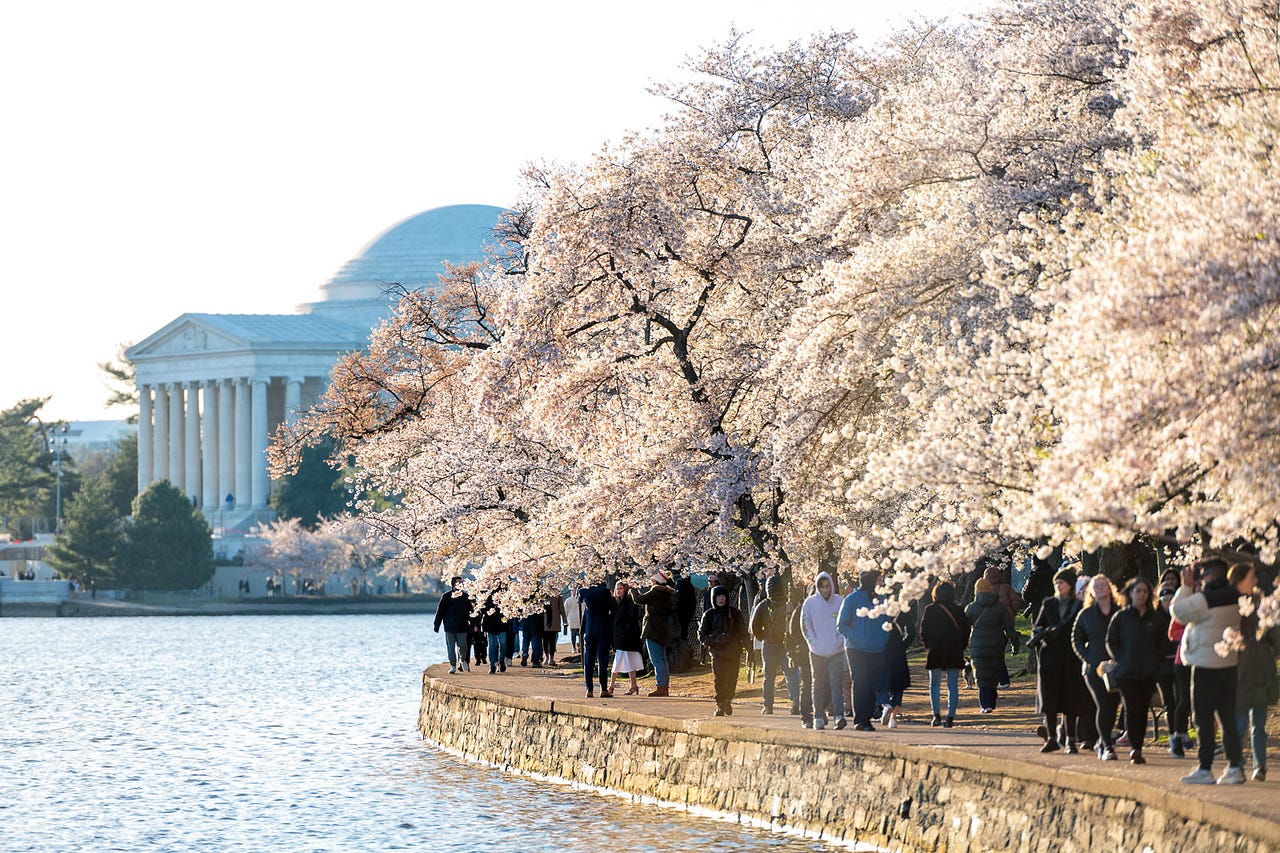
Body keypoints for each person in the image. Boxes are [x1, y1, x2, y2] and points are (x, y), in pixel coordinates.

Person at [1171, 557, 1245, 784]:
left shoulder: (1207, 598)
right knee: (1227, 719)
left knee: (1203, 718)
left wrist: (1185, 587)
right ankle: (1235, 767)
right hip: (1228, 664)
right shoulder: (1236, 596)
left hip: (1205, 665)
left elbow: (1178, 612)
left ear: (1209, 576)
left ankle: (1205, 768)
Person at [1105, 576, 1171, 764]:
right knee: (1132, 708)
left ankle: (1138, 747)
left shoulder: (1155, 618)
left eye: (1144, 591)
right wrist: (1122, 658)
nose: (1141, 594)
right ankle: (1134, 747)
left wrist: (1154, 660)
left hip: (1148, 673)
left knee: (1142, 709)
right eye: (1138, 591)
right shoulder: (1122, 617)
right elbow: (1111, 641)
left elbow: (1163, 643)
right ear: (1131, 593)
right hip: (1127, 673)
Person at [1030, 567, 1091, 753]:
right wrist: (1042, 634)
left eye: (1061, 582)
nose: (1058, 585)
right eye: (1056, 582)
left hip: (1071, 658)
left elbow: (1083, 630)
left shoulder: (1078, 605)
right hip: (1050, 657)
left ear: (1070, 585)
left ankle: (1071, 739)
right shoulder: (1049, 604)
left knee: (1070, 700)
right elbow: (1037, 627)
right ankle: (1051, 738)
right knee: (1049, 700)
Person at [1232, 563, 1278, 781]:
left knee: (1259, 726)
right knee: (1240, 725)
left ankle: (1259, 767)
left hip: (1260, 667)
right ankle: (1237, 766)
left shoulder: (1263, 603)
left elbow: (1275, 634)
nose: (1255, 580)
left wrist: (1270, 648)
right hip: (1240, 670)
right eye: (1251, 576)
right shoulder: (1231, 604)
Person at [1072, 574, 1121, 760]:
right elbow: (1076, 639)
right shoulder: (1086, 615)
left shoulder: (1119, 610)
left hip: (1116, 666)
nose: (1101, 588)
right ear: (1090, 591)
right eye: (1096, 585)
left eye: (1104, 585)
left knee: (1113, 705)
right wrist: (1087, 657)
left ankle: (1103, 739)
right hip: (1094, 668)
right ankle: (1107, 744)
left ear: (1109, 588)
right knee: (1103, 704)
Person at [838, 570, 891, 732]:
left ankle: (866, 717)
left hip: (876, 648)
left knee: (871, 683)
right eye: (879, 579)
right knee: (860, 682)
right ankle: (860, 719)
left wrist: (883, 639)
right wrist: (856, 636)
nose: (881, 582)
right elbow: (842, 624)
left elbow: (887, 622)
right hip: (856, 648)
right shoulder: (852, 599)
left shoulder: (881, 600)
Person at [920, 581, 970, 728]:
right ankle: (950, 717)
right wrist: (961, 646)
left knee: (934, 683)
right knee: (952, 685)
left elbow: (924, 631)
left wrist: (928, 646)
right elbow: (965, 631)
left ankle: (936, 715)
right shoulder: (959, 610)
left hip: (935, 650)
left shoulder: (930, 609)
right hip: (954, 650)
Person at [801, 571, 847, 730]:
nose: (826, 590)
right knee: (817, 684)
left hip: (836, 650)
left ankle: (839, 715)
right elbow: (806, 626)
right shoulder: (810, 603)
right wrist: (814, 643)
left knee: (836, 683)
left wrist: (839, 642)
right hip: (816, 651)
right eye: (822, 587)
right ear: (817, 587)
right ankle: (818, 716)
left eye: (828, 586)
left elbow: (844, 625)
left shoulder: (840, 602)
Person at [966, 578, 1018, 714]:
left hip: (978, 644)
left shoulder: (971, 607)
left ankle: (985, 705)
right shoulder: (1000, 607)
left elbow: (964, 628)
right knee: (993, 672)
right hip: (996, 643)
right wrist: (1015, 643)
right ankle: (991, 702)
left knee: (981, 674)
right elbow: (1009, 627)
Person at [750, 575, 797, 715]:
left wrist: (763, 637)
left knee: (771, 677)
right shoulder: (786, 604)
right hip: (780, 644)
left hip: (774, 645)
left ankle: (769, 705)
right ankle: (794, 703)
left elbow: (754, 626)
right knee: (790, 675)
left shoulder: (765, 605)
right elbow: (796, 624)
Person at [698, 583, 747, 716]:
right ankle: (720, 704)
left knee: (732, 679)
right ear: (714, 598)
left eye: (723, 596)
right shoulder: (709, 615)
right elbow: (701, 634)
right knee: (719, 679)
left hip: (733, 651)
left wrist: (750, 650)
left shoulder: (735, 613)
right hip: (717, 652)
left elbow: (743, 632)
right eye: (718, 597)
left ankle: (727, 699)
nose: (721, 599)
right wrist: (713, 641)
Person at [631, 569, 676, 697]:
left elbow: (639, 599)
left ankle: (661, 686)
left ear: (656, 581)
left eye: (652, 580)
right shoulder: (666, 594)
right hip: (663, 629)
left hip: (653, 630)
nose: (651, 582)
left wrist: (633, 589)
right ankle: (664, 685)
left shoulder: (656, 592)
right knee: (662, 659)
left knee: (656, 660)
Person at [579, 580, 616, 698]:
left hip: (589, 630)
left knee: (589, 660)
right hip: (603, 629)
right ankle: (603, 689)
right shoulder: (605, 592)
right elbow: (613, 606)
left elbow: (579, 600)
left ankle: (589, 689)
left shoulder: (585, 592)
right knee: (602, 659)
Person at [785, 581, 814, 727]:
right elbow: (792, 632)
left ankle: (819, 711)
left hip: (825, 652)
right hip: (805, 652)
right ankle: (806, 715)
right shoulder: (801, 609)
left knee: (824, 683)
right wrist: (793, 651)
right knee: (807, 683)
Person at [610, 581, 644, 695]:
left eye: (620, 588)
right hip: (621, 636)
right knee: (629, 661)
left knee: (618, 660)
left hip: (626, 636)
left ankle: (611, 686)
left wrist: (625, 631)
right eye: (617, 588)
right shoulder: (617, 602)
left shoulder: (628, 601)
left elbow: (631, 618)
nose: (618, 591)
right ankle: (633, 685)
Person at [433, 576, 473, 674]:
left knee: (463, 646)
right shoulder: (446, 596)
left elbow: (472, 611)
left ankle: (463, 660)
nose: (460, 584)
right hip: (449, 626)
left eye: (461, 583)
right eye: (458, 583)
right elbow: (440, 611)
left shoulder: (466, 596)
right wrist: (436, 624)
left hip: (462, 626)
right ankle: (453, 665)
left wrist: (474, 623)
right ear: (453, 584)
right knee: (451, 647)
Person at [480, 591, 509, 674]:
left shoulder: (503, 589)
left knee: (503, 643)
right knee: (492, 645)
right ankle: (492, 665)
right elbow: (481, 608)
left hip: (501, 622)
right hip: (490, 623)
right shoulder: (484, 591)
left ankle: (501, 660)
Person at [541, 592, 567, 667]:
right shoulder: (557, 593)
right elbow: (561, 608)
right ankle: (551, 659)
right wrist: (564, 619)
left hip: (544, 620)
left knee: (545, 640)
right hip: (554, 620)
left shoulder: (542, 592)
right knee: (552, 640)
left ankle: (547, 658)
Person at [565, 586, 583, 654]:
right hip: (572, 620)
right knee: (573, 635)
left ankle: (580, 646)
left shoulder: (581, 599)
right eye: (573, 590)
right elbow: (565, 611)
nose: (574, 592)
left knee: (580, 634)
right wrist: (565, 620)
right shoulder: (568, 600)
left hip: (580, 619)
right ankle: (574, 647)